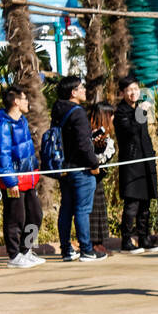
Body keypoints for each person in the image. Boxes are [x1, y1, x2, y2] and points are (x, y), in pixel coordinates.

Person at [0, 87, 45, 269]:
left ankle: (26, 250)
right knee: (15, 217)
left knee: (35, 214)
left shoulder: (23, 121)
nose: (28, 102)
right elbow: (3, 155)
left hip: (29, 177)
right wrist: (11, 181)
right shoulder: (3, 125)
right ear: (16, 102)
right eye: (24, 98)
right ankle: (14, 255)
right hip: (14, 181)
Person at [53, 76, 104, 263]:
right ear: (73, 92)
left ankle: (66, 250)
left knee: (66, 208)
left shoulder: (58, 110)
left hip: (64, 168)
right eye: (81, 87)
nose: (84, 90)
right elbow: (83, 144)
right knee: (82, 209)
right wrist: (94, 164)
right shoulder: (78, 112)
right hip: (80, 169)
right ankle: (86, 250)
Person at [113, 77, 158, 253]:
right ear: (122, 93)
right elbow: (131, 131)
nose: (133, 92)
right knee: (132, 203)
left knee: (146, 203)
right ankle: (126, 241)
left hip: (145, 161)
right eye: (129, 90)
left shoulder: (138, 109)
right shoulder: (121, 112)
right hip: (132, 163)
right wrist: (140, 112)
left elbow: (144, 135)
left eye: (135, 89)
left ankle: (144, 238)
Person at [88, 103, 117, 258]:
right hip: (89, 177)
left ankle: (99, 242)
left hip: (99, 178)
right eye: (110, 115)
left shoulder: (105, 135)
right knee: (92, 210)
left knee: (99, 208)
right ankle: (92, 244)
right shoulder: (92, 134)